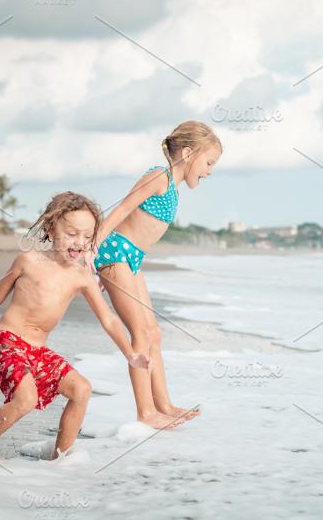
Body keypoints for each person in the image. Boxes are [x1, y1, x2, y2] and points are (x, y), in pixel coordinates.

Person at [0, 192, 152, 465]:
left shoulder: (82, 276)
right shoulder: (28, 261)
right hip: (9, 341)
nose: (79, 242)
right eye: (72, 234)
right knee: (26, 399)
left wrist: (130, 354)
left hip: (38, 351)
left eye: (87, 236)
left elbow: (108, 319)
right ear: (52, 229)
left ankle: (60, 458)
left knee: (81, 390)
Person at [88, 120, 221, 429]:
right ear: (188, 153)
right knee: (141, 332)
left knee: (154, 333)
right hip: (115, 252)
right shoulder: (159, 177)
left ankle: (164, 405)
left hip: (131, 259)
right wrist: (93, 251)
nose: (210, 171)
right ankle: (145, 413)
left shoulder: (172, 187)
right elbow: (122, 210)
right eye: (209, 162)